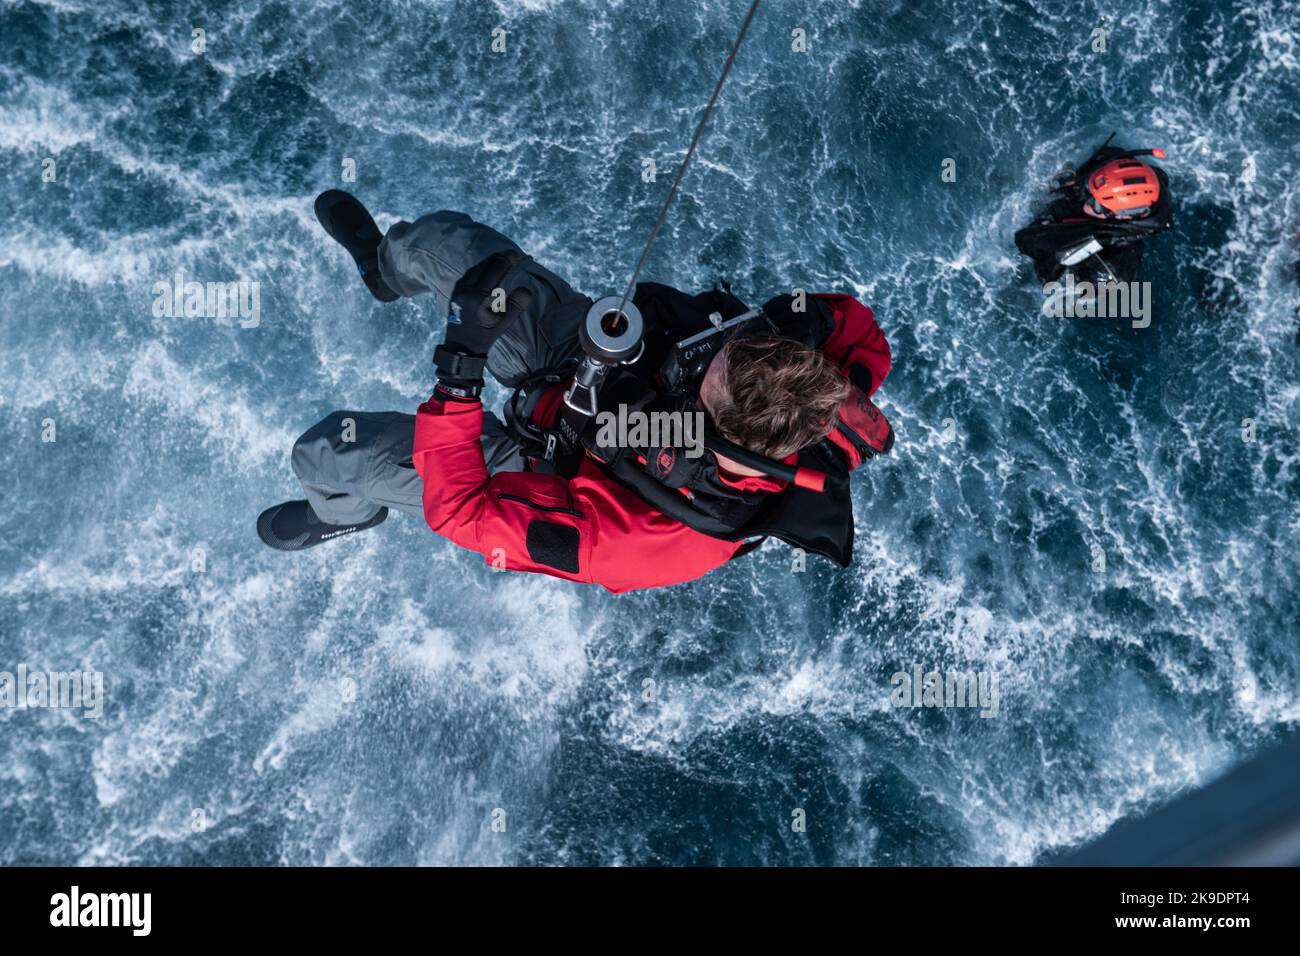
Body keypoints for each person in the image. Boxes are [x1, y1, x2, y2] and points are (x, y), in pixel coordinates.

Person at [256, 191, 893, 592]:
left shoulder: (635, 544)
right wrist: (809, 320)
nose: (706, 354)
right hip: (593, 363)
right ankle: (384, 270)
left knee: (323, 452)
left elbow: (463, 513)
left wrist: (461, 368)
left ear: (715, 426)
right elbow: (862, 332)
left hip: (542, 466)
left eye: (708, 373)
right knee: (450, 251)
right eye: (721, 345)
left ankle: (342, 513)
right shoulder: (812, 386)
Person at [1015, 134, 1172, 288]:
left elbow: (1030, 248)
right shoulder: (1124, 176)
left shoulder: (1109, 266)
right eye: (1091, 194)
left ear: (1121, 217)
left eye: (1097, 205)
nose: (1088, 204)